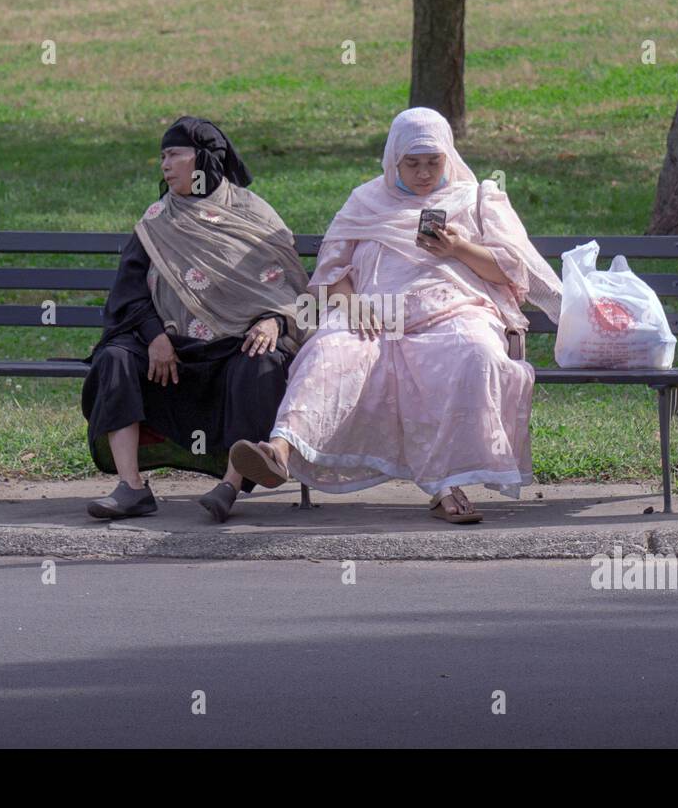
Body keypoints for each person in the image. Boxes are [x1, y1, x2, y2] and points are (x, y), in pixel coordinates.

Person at [227, 107, 562, 522]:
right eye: (412, 163)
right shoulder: (365, 201)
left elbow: (513, 270)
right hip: (374, 312)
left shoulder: (476, 198)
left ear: (448, 156)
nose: (423, 173)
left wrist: (458, 249)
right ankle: (278, 450)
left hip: (454, 309)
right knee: (329, 352)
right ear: (393, 161)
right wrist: (353, 303)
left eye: (433, 162)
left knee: (473, 353)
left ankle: (446, 486)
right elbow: (332, 273)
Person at [81, 117, 311, 521]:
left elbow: (290, 289)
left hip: (231, 349)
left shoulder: (254, 215)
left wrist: (275, 321)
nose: (165, 165)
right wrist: (154, 335)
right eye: (162, 156)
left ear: (203, 159)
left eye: (174, 155)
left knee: (263, 360)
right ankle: (131, 487)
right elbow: (128, 293)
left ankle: (230, 485)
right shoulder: (156, 220)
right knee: (114, 358)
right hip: (171, 354)